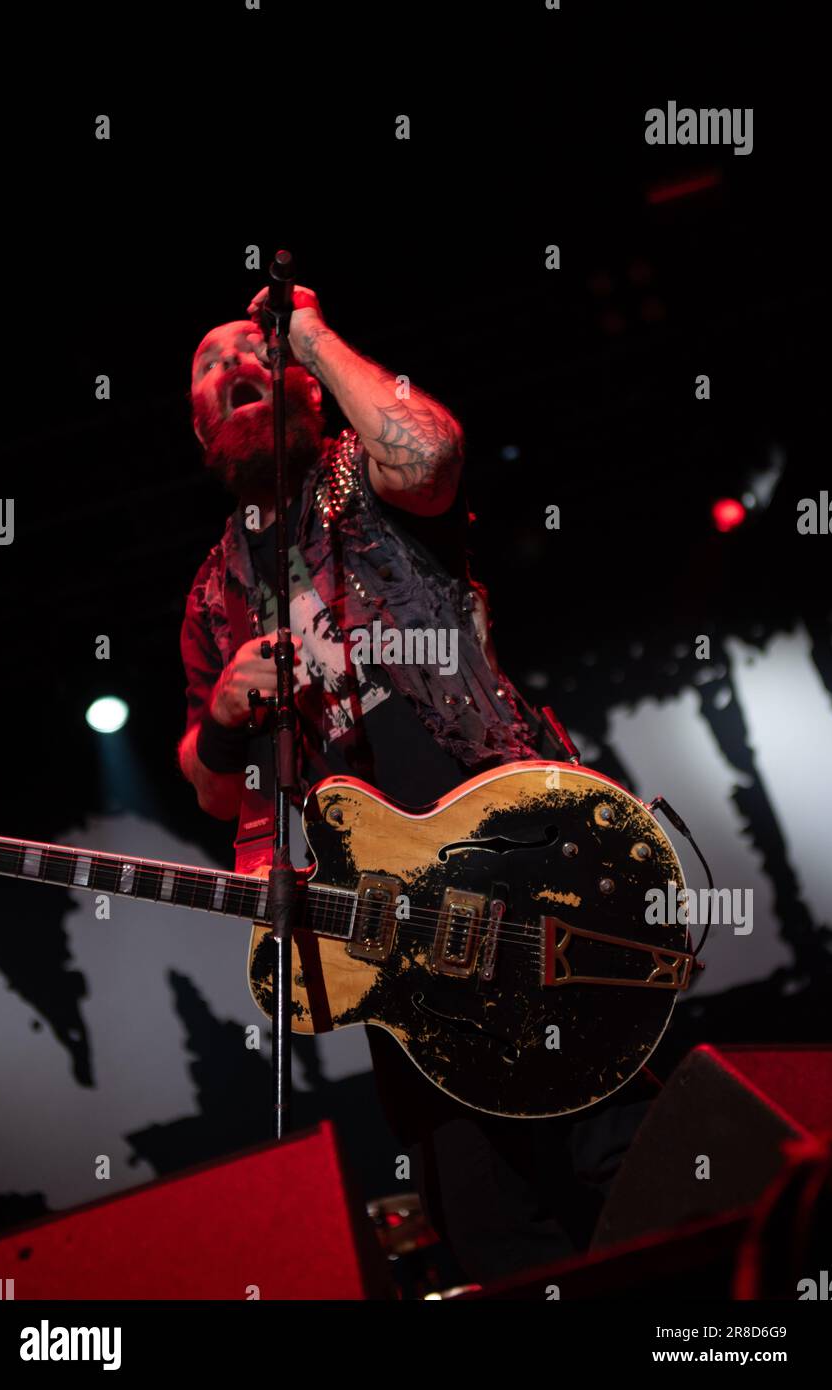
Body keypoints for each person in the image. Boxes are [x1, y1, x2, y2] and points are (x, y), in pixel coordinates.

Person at [177, 284, 653, 1284]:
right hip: (393, 943)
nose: (233, 367)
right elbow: (216, 795)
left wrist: (301, 330)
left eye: (248, 354)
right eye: (210, 367)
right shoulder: (212, 594)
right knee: (493, 1230)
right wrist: (223, 717)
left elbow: (431, 453)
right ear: (198, 428)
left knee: (631, 1181)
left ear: (302, 386)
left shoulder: (361, 477)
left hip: (523, 876)